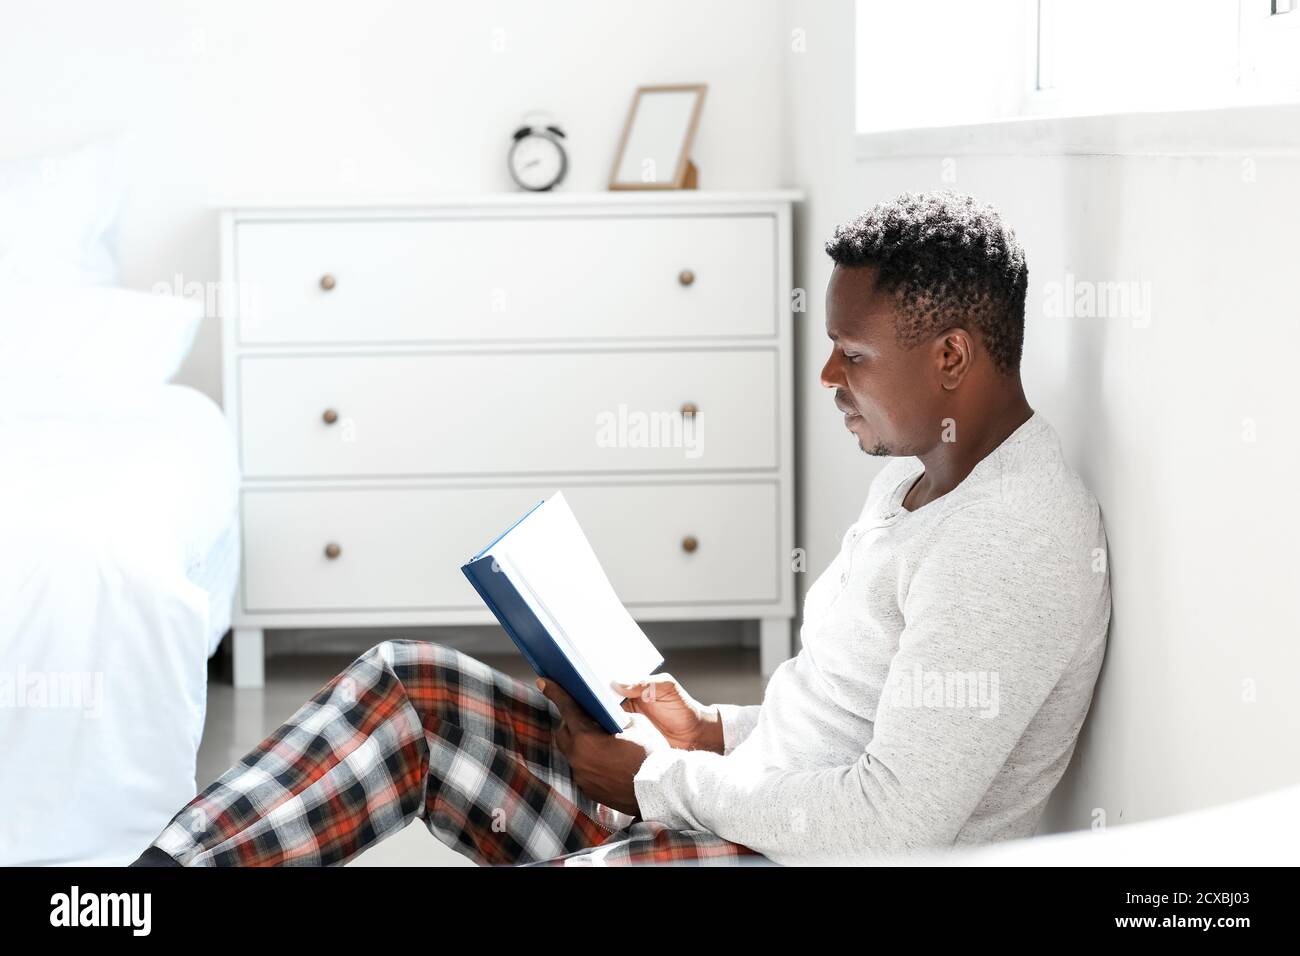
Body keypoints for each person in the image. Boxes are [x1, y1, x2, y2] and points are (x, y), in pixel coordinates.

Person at [132, 190, 1110, 867]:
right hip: (745, 810)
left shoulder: (1007, 539)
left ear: (949, 355)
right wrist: (713, 730)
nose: (827, 380)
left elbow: (892, 822)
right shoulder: (917, 471)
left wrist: (661, 780)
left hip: (791, 852)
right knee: (410, 687)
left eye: (851, 356)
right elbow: (850, 726)